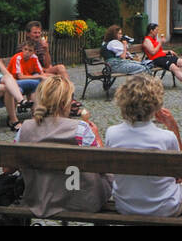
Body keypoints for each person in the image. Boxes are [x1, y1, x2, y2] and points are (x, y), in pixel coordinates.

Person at [105, 74, 182, 216]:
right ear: (156, 104)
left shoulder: (112, 133)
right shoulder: (166, 137)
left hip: (125, 206)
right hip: (165, 207)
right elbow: (181, 175)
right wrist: (173, 127)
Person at [14, 74, 111, 217]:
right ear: (64, 103)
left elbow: (7, 168)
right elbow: (102, 165)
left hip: (39, 198)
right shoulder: (80, 129)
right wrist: (96, 135)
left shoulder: (25, 128)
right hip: (81, 199)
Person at [142, 23, 182, 90]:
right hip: (156, 59)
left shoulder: (154, 39)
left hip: (163, 57)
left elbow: (158, 51)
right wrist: (160, 43)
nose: (157, 32)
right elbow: (153, 52)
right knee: (173, 67)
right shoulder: (147, 40)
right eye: (156, 30)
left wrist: (168, 51)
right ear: (151, 31)